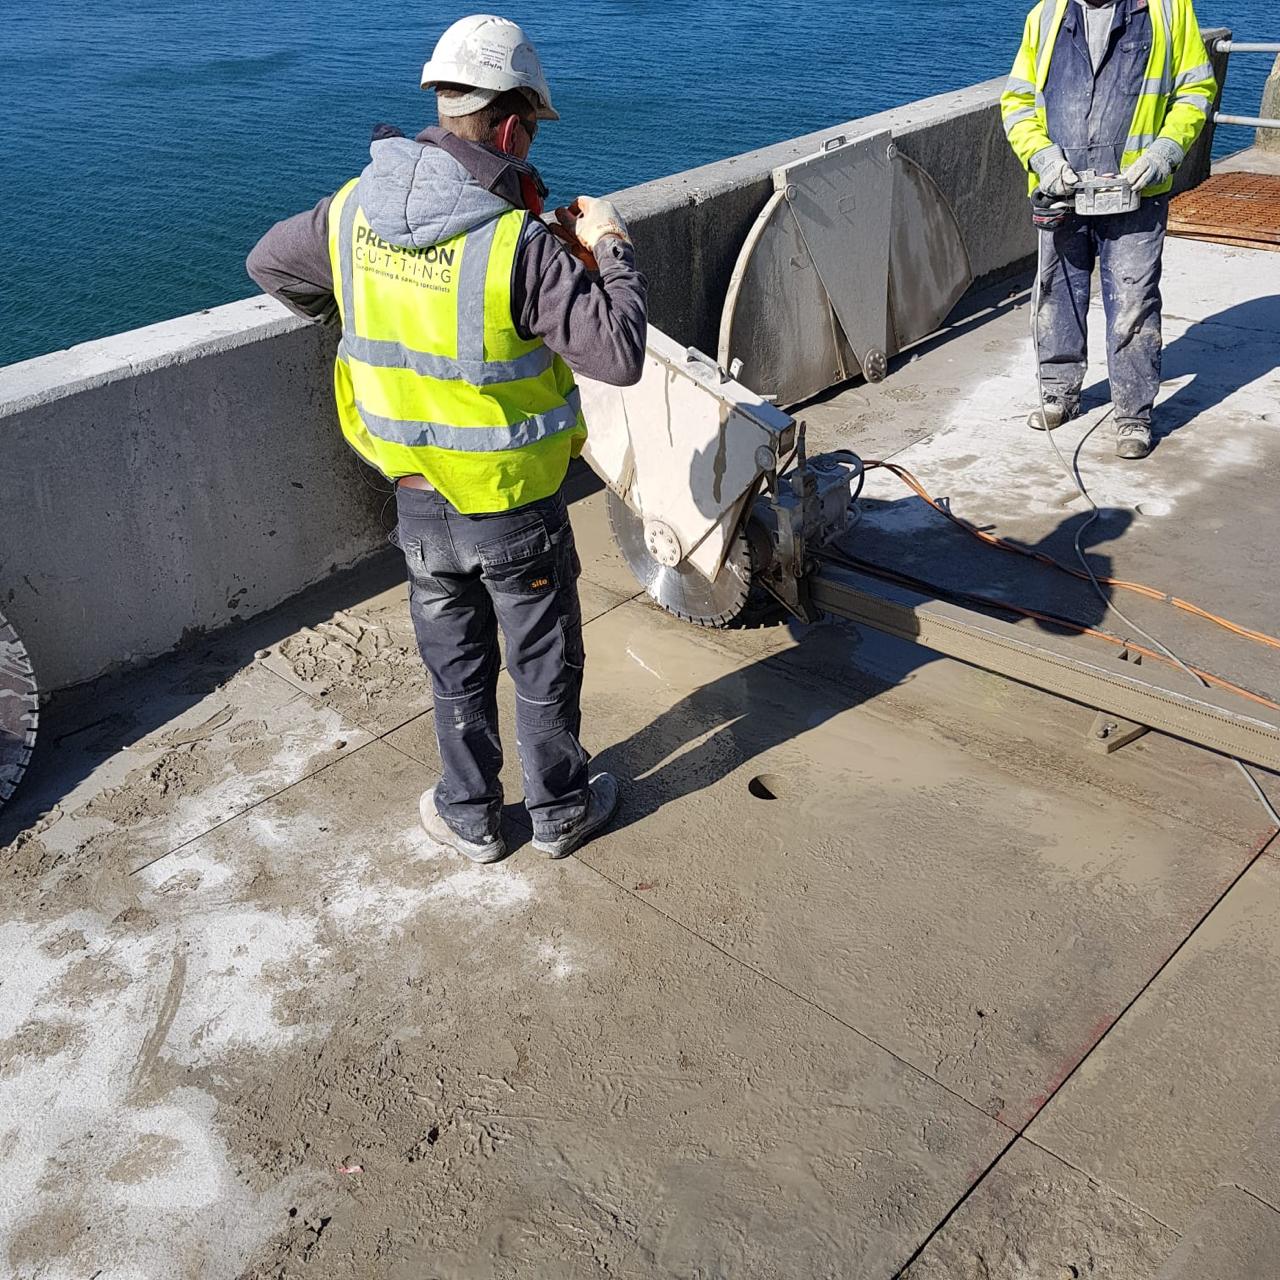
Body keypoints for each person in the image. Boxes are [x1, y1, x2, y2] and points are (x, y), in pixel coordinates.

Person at [247, 15, 648, 864]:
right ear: (507, 125)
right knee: (541, 669)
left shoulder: (351, 211)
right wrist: (609, 246)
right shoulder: (518, 247)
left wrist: (348, 311)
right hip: (513, 508)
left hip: (419, 505)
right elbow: (618, 353)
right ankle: (560, 814)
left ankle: (469, 817)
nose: (531, 144)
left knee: (455, 673)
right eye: (531, 127)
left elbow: (268, 266)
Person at [1001, 0, 1216, 458]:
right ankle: (1059, 391)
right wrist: (1043, 159)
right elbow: (1018, 100)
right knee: (1057, 293)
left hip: (1135, 194)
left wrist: (1163, 152)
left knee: (1134, 303)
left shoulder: (1168, 11)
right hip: (1064, 190)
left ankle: (1133, 415)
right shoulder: (1047, 15)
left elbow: (1196, 88)